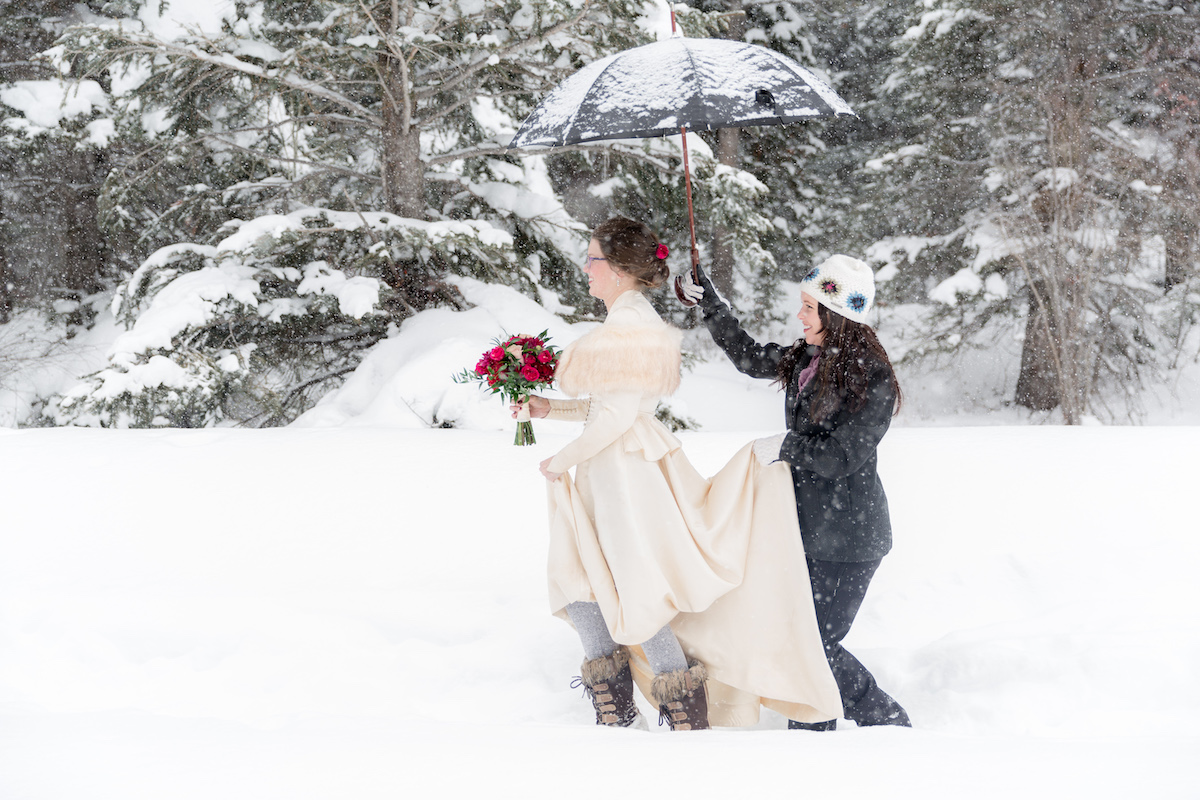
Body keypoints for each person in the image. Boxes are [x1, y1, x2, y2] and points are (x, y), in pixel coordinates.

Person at [514, 218, 842, 731]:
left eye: (594, 258)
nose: (586, 267)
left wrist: (561, 459)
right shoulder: (634, 320)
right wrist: (547, 409)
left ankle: (666, 708)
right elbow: (612, 406)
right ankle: (632, 705)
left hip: (621, 473)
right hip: (621, 464)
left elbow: (616, 417)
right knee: (592, 578)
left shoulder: (624, 328)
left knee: (618, 581)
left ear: (620, 271)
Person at [677, 254, 912, 729]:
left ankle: (885, 721)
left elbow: (842, 455)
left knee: (813, 645)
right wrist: (712, 304)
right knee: (796, 639)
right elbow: (748, 357)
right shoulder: (809, 358)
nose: (800, 316)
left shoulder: (873, 378)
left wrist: (784, 444)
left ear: (837, 314)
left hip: (848, 538)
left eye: (809, 307)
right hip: (804, 531)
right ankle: (812, 735)